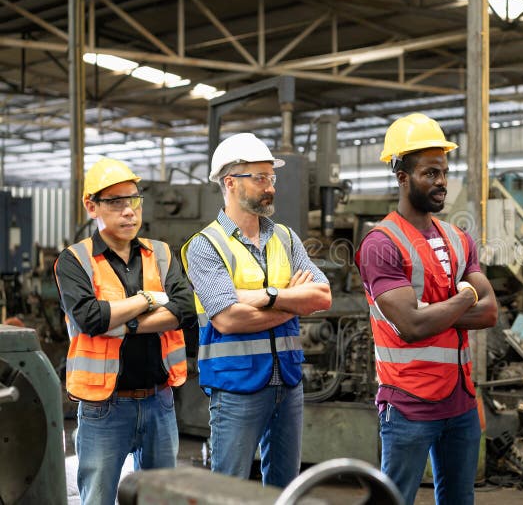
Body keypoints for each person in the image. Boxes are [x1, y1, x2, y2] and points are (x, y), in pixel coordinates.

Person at [355, 113, 498, 505]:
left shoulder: (459, 238)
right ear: (403, 177)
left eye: (445, 172)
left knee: (459, 498)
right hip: (408, 401)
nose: (441, 182)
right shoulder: (381, 244)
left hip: (461, 400)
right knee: (395, 499)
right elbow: (412, 325)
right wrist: (465, 296)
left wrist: (435, 311)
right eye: (430, 173)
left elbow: (490, 313)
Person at [182, 133, 331, 487]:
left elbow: (322, 296)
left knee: (285, 489)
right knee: (229, 490)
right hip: (236, 386)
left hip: (288, 383)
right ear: (230, 182)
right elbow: (228, 318)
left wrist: (267, 296)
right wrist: (292, 301)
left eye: (272, 177)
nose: (271, 187)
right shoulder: (205, 246)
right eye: (261, 178)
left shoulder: (286, 238)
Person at [55, 157, 196, 505]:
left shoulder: (161, 254)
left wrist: (125, 321)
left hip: (159, 401)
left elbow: (183, 309)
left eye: (133, 199)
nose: (129, 211)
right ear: (92, 206)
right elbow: (90, 318)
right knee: (98, 498)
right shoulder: (75, 260)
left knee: (159, 499)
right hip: (104, 408)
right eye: (116, 202)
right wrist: (147, 300)